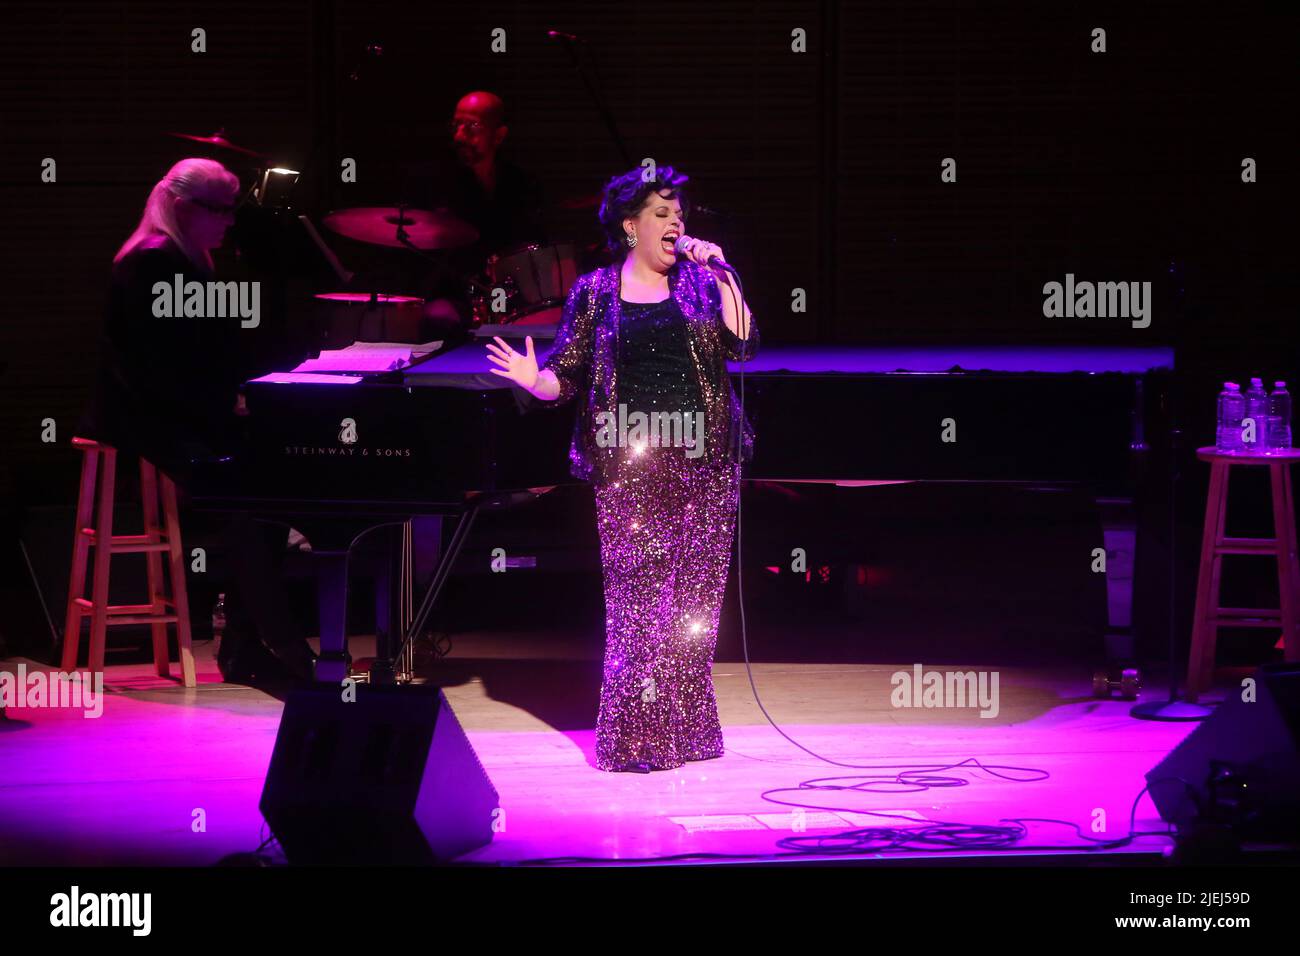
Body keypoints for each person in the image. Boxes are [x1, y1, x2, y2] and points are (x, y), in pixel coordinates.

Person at [485, 165, 758, 772]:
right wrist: (537, 381)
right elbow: (569, 371)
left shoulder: (697, 283)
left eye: (679, 214)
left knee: (694, 611)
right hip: (630, 464)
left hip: (708, 460)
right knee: (639, 606)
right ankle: (637, 740)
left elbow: (743, 344)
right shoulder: (594, 291)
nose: (676, 223)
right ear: (630, 226)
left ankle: (688, 734)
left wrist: (721, 274)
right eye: (662, 214)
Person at [79, 157, 317, 684]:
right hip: (145, 419)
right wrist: (230, 402)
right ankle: (282, 649)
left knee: (266, 494)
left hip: (175, 409)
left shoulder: (185, 258)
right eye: (221, 211)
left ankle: (245, 645)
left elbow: (203, 354)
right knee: (243, 502)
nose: (230, 222)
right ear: (185, 208)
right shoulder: (154, 262)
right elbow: (157, 371)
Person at [400, 91, 546, 338]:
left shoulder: (520, 183)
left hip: (513, 296)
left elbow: (533, 244)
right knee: (439, 318)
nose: (459, 136)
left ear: (499, 135)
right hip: (454, 295)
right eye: (456, 126)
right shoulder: (436, 183)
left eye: (473, 127)